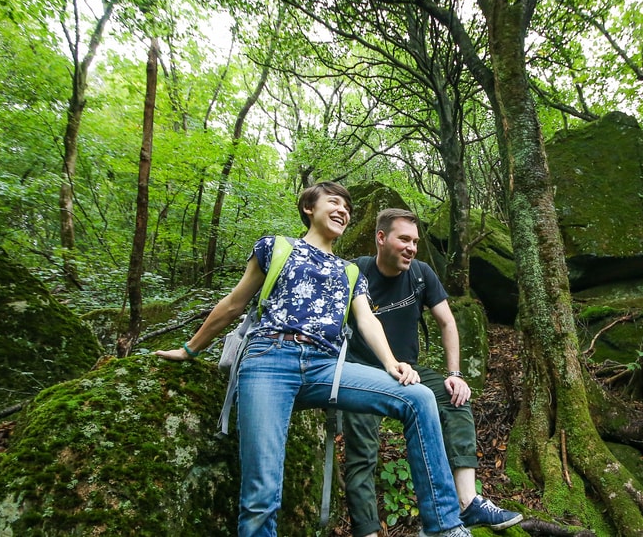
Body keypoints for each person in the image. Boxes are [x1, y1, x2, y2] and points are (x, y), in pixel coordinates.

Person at [155, 184, 468, 537]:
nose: (343, 210)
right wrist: (189, 349)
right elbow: (233, 304)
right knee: (262, 493)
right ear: (308, 207)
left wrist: (392, 363)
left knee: (420, 397)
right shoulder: (276, 248)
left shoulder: (350, 272)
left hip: (325, 367)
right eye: (333, 202)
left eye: (347, 207)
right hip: (268, 360)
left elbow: (367, 320)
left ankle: (443, 525)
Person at [344, 208, 523, 536]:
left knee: (455, 396)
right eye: (403, 239)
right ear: (381, 238)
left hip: (409, 370)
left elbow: (447, 322)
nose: (412, 247)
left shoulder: (422, 273)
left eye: (415, 241)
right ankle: (367, 530)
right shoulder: (357, 270)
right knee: (362, 450)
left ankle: (467, 502)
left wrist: (455, 373)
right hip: (362, 370)